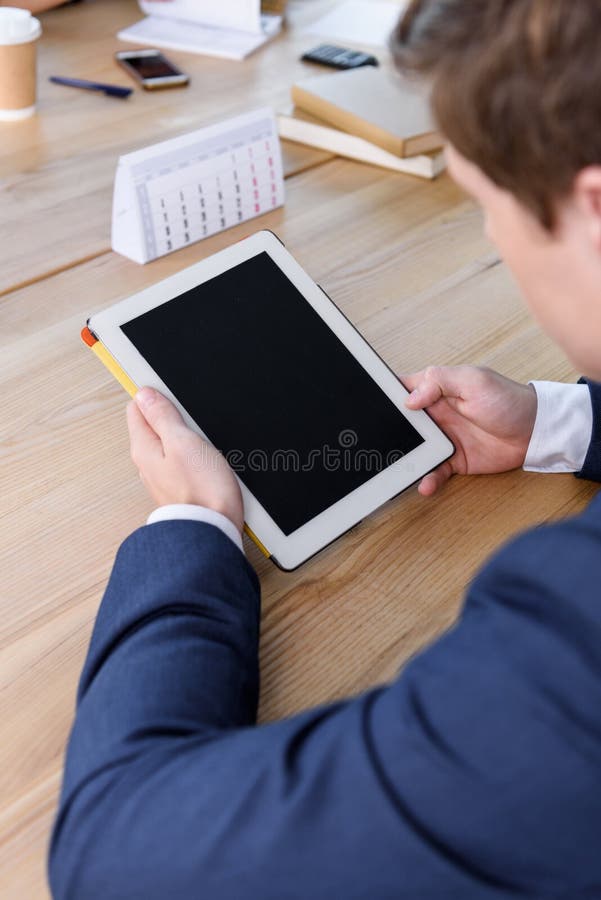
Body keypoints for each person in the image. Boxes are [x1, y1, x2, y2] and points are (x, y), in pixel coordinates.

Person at [48, 0, 601, 897]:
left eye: (483, 207)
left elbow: (120, 856)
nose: (495, 244)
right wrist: (557, 422)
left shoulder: (575, 644)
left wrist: (191, 526)